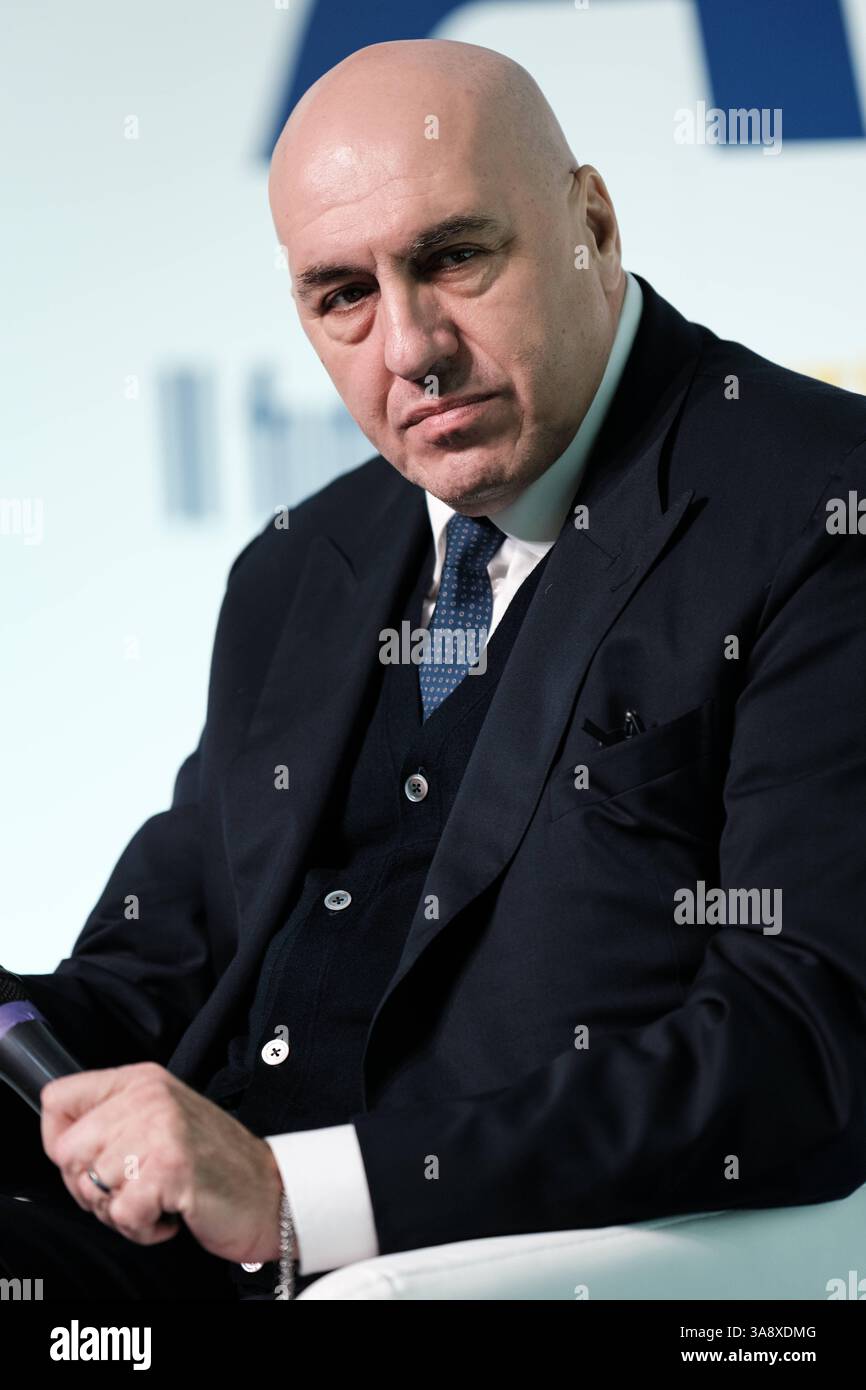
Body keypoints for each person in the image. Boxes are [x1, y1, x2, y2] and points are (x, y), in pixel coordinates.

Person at [2, 37, 865, 1301]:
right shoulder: (302, 563)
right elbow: (155, 981)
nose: (408, 347)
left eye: (454, 257)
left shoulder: (817, 510)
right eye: (340, 293)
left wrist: (305, 1200)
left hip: (469, 1263)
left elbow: (803, 1049)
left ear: (591, 223)